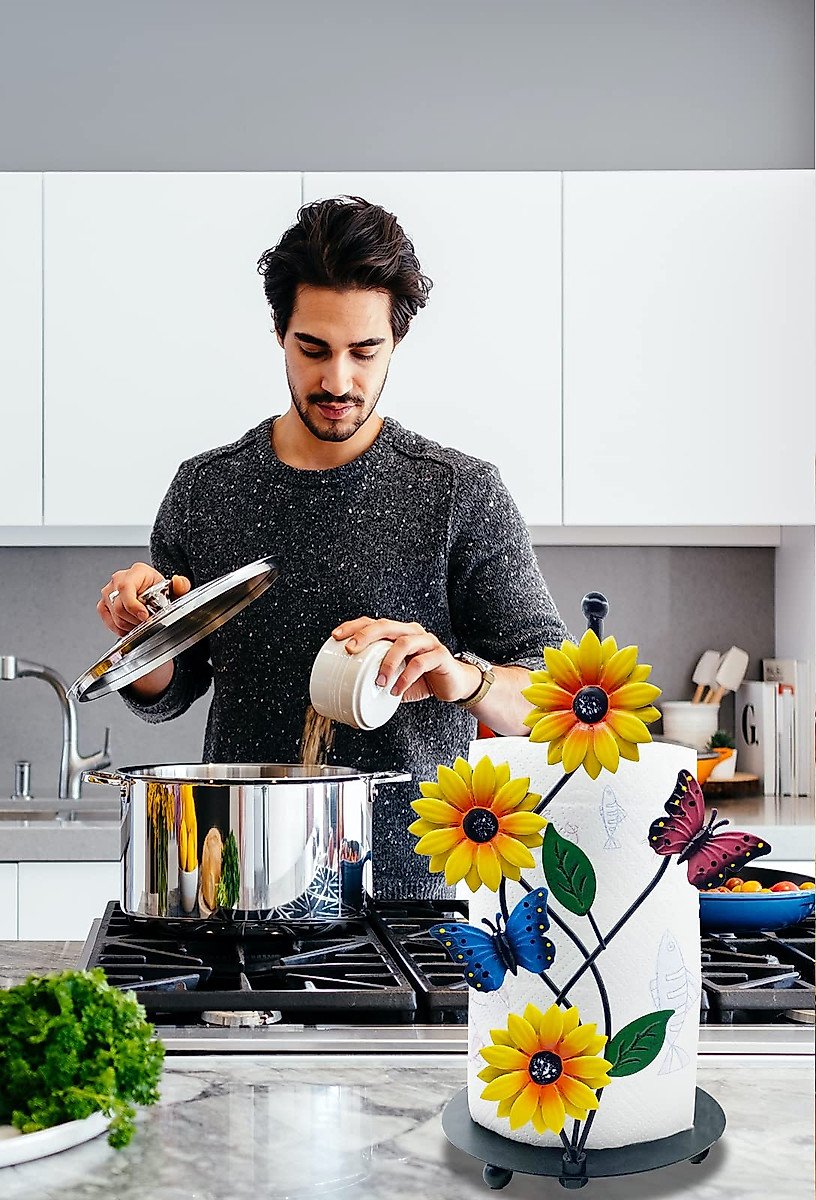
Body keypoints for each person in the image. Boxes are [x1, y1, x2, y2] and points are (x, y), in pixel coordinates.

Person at [97, 196, 570, 900]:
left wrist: (460, 676)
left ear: (396, 342)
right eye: (312, 349)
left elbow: (555, 700)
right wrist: (141, 640)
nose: (338, 382)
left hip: (418, 895)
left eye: (364, 352)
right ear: (280, 334)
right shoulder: (206, 489)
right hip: (241, 885)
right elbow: (174, 691)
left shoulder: (459, 493)